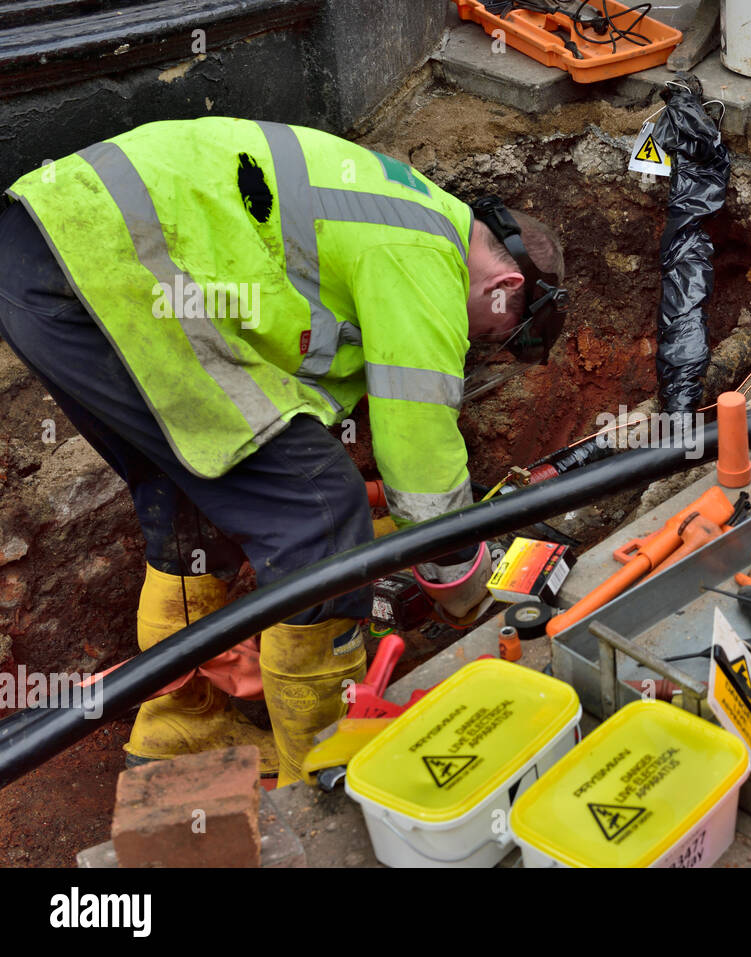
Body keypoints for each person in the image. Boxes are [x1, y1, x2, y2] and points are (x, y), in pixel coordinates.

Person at [0, 117, 566, 785]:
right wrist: (462, 585)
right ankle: (321, 767)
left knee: (193, 488)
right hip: (115, 260)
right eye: (501, 336)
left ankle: (183, 724)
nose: (482, 349)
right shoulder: (424, 254)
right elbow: (419, 455)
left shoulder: (397, 209)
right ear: (508, 290)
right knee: (319, 509)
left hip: (45, 256)